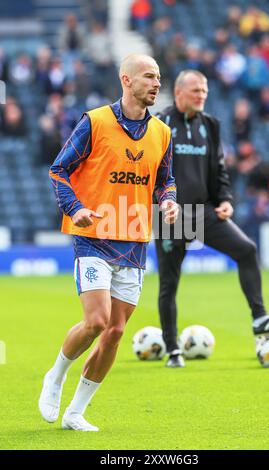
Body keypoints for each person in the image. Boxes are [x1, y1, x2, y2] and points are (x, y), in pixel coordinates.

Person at [39, 54, 178, 431]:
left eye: (159, 77)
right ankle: (56, 375)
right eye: (149, 76)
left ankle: (75, 412)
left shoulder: (162, 133)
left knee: (116, 332)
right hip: (93, 236)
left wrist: (168, 199)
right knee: (97, 321)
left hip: (133, 239)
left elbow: (166, 179)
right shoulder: (95, 122)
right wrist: (75, 207)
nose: (156, 83)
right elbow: (59, 169)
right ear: (126, 80)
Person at [155, 70, 269, 368]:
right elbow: (150, 169)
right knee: (170, 283)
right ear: (179, 93)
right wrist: (160, 202)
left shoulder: (211, 125)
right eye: (195, 90)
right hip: (172, 215)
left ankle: (259, 318)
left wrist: (226, 202)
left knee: (247, 250)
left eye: (204, 90)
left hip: (205, 211)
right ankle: (172, 349)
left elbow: (219, 169)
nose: (202, 94)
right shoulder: (161, 123)